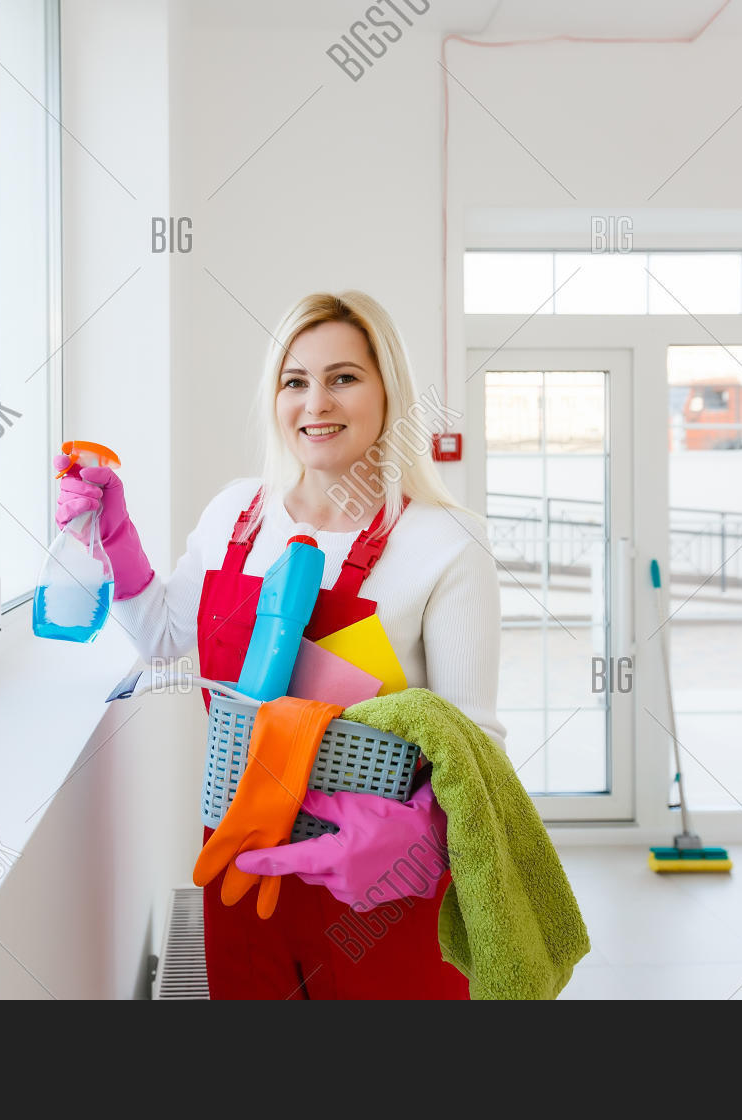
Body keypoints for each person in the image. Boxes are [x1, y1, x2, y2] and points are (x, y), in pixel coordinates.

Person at [52, 290, 505, 999]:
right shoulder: (237, 512)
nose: (315, 402)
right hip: (243, 865)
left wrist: (416, 843)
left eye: (344, 377)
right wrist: (114, 536)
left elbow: (478, 748)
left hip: (375, 891)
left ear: (389, 390)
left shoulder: (444, 544)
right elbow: (168, 636)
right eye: (295, 381)